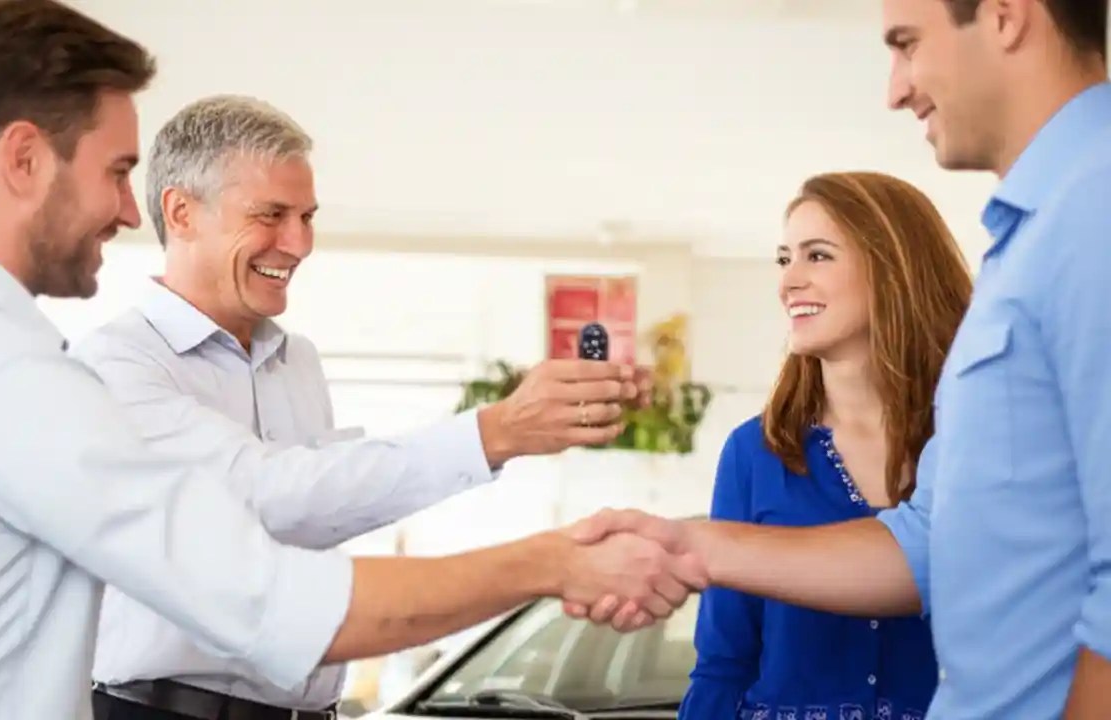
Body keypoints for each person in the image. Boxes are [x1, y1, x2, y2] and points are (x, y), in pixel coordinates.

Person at [0, 2, 696, 719]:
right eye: (116, 171)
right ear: (24, 159)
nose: (129, 213)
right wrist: (549, 557)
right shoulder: (20, 379)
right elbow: (273, 591)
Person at [570, 0, 1111, 717]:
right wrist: (689, 544)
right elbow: (927, 544)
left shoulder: (1093, 211)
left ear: (1007, 16)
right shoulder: (1034, 237)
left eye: (908, 43)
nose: (894, 89)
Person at [76, 95, 651, 720]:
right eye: (271, 214)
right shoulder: (117, 366)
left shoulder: (296, 362)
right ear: (181, 212)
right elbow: (267, 500)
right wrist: (497, 431)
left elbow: (328, 505)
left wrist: (518, 430)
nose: (297, 243)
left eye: (306, 216)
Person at [677, 171, 971, 720]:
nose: (789, 282)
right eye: (784, 259)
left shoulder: (973, 439)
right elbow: (723, 662)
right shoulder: (754, 452)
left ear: (893, 267)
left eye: (817, 256)